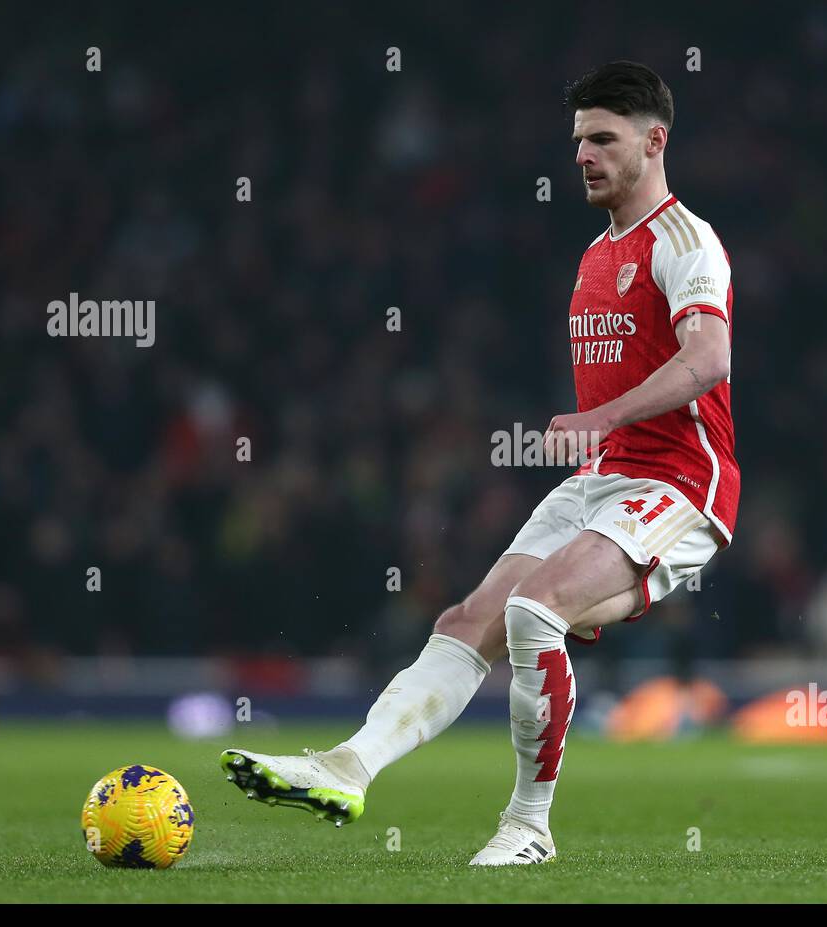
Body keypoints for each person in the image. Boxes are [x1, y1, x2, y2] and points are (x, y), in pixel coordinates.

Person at [222, 60, 739, 866]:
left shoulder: (685, 240)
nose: (583, 156)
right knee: (467, 622)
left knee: (536, 613)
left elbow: (709, 359)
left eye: (603, 139)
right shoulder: (595, 256)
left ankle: (529, 828)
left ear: (655, 141)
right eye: (578, 142)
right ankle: (347, 767)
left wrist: (599, 416)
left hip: (681, 483)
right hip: (604, 480)